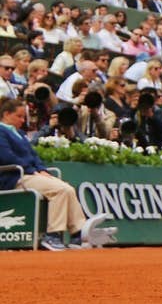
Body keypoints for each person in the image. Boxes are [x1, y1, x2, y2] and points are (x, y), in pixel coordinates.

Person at [0, 97, 110, 249]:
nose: (22, 120)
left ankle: (77, 234)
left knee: (67, 188)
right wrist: (34, 171)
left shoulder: (19, 133)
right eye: (18, 116)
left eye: (23, 116)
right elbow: (7, 157)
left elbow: (34, 155)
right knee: (60, 190)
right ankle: (52, 235)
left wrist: (42, 170)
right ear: (6, 114)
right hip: (13, 177)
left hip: (29, 175)